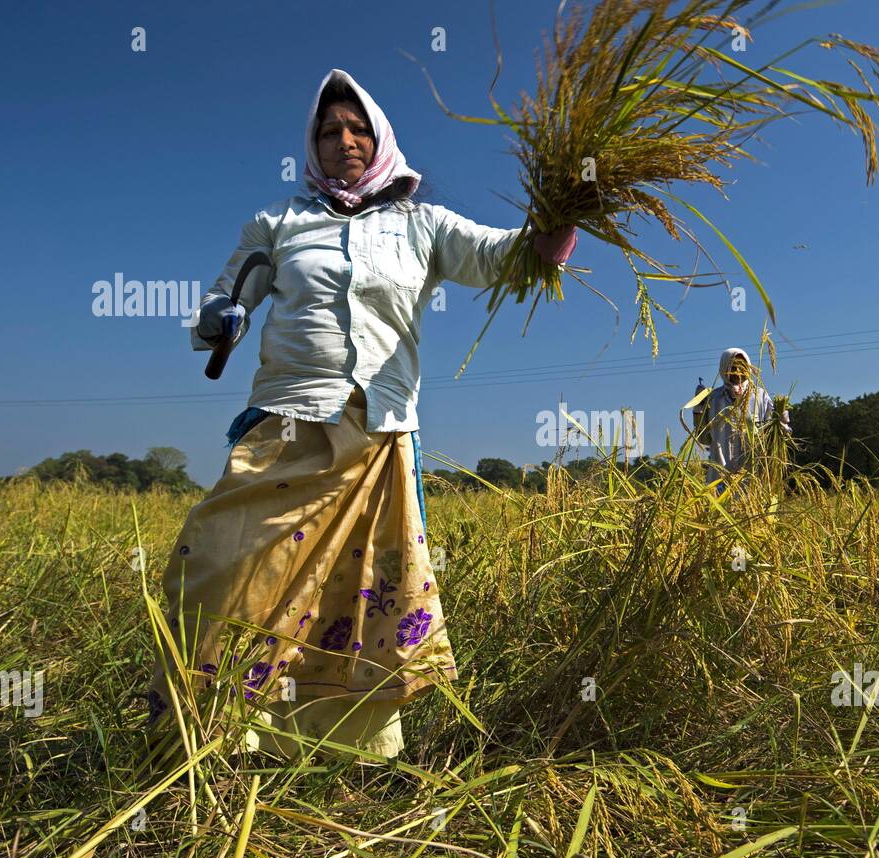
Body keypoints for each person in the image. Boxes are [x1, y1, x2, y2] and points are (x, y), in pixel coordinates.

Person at [146, 68, 576, 760]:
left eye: (357, 128)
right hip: (286, 424)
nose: (344, 140)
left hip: (377, 433)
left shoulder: (421, 224)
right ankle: (213, 730)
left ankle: (340, 749)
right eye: (328, 130)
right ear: (311, 146)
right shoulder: (279, 223)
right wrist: (218, 319)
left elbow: (505, 257)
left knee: (355, 595)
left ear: (379, 138)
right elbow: (225, 301)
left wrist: (555, 228)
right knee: (220, 558)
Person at [693, 347, 790, 493]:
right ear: (724, 368)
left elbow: (773, 436)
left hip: (751, 477)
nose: (737, 370)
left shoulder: (760, 397)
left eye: (741, 365)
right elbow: (704, 439)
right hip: (720, 477)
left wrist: (781, 422)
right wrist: (698, 409)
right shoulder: (713, 398)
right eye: (733, 366)